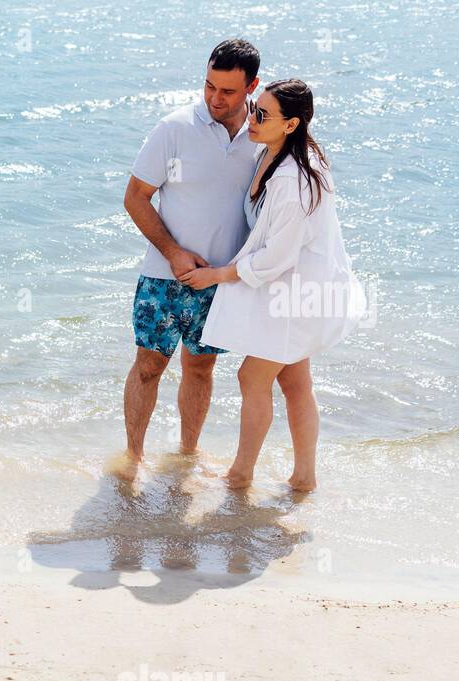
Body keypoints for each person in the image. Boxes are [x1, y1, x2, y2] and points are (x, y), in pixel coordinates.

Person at [185, 79, 361, 492]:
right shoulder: (275, 153)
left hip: (296, 294)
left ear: (291, 124)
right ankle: (304, 478)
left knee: (252, 377)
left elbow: (275, 257)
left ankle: (241, 475)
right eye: (254, 107)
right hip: (288, 291)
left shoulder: (295, 179)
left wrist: (216, 274)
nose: (253, 117)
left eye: (263, 115)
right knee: (295, 381)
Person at [120, 38, 262, 472]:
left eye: (228, 91)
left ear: (252, 86)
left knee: (201, 369)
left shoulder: (263, 134)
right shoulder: (174, 128)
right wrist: (173, 252)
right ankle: (132, 460)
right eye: (209, 86)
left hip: (221, 282)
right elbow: (135, 197)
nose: (215, 99)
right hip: (164, 276)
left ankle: (185, 459)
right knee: (148, 366)